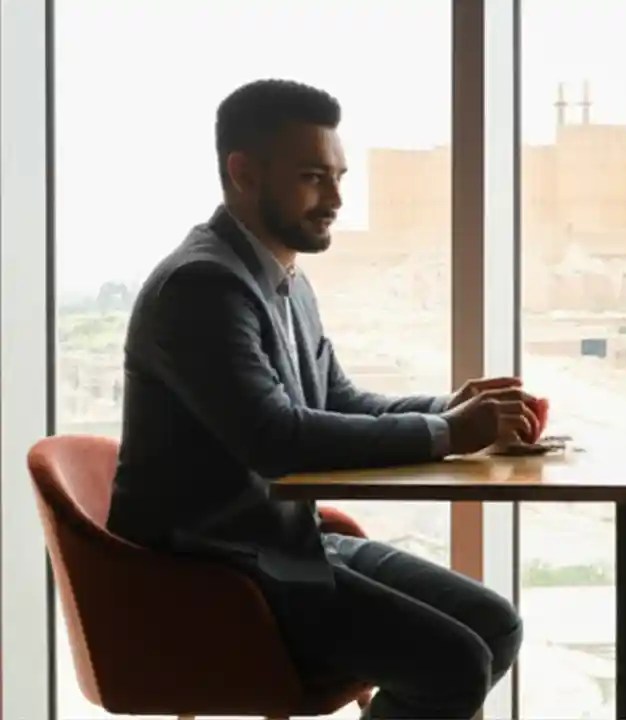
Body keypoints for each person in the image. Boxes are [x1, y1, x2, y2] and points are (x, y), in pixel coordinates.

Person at [107, 79, 532, 719]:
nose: (335, 199)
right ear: (243, 172)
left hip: (285, 544)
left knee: (495, 624)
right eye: (313, 178)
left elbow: (337, 399)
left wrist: (452, 412)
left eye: (338, 177)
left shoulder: (282, 279)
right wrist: (449, 435)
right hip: (213, 574)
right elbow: (276, 440)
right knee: (455, 664)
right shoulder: (201, 287)